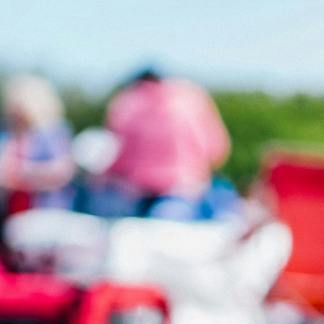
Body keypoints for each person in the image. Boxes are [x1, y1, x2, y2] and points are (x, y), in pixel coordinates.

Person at [99, 69, 230, 220]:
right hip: (184, 187)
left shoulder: (129, 103)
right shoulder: (191, 99)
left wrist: (108, 174)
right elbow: (216, 148)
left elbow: (117, 151)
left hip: (135, 191)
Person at [0, 75, 76, 219]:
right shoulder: (9, 133)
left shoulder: (52, 131)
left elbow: (63, 170)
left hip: (44, 210)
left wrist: (23, 172)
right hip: (11, 211)